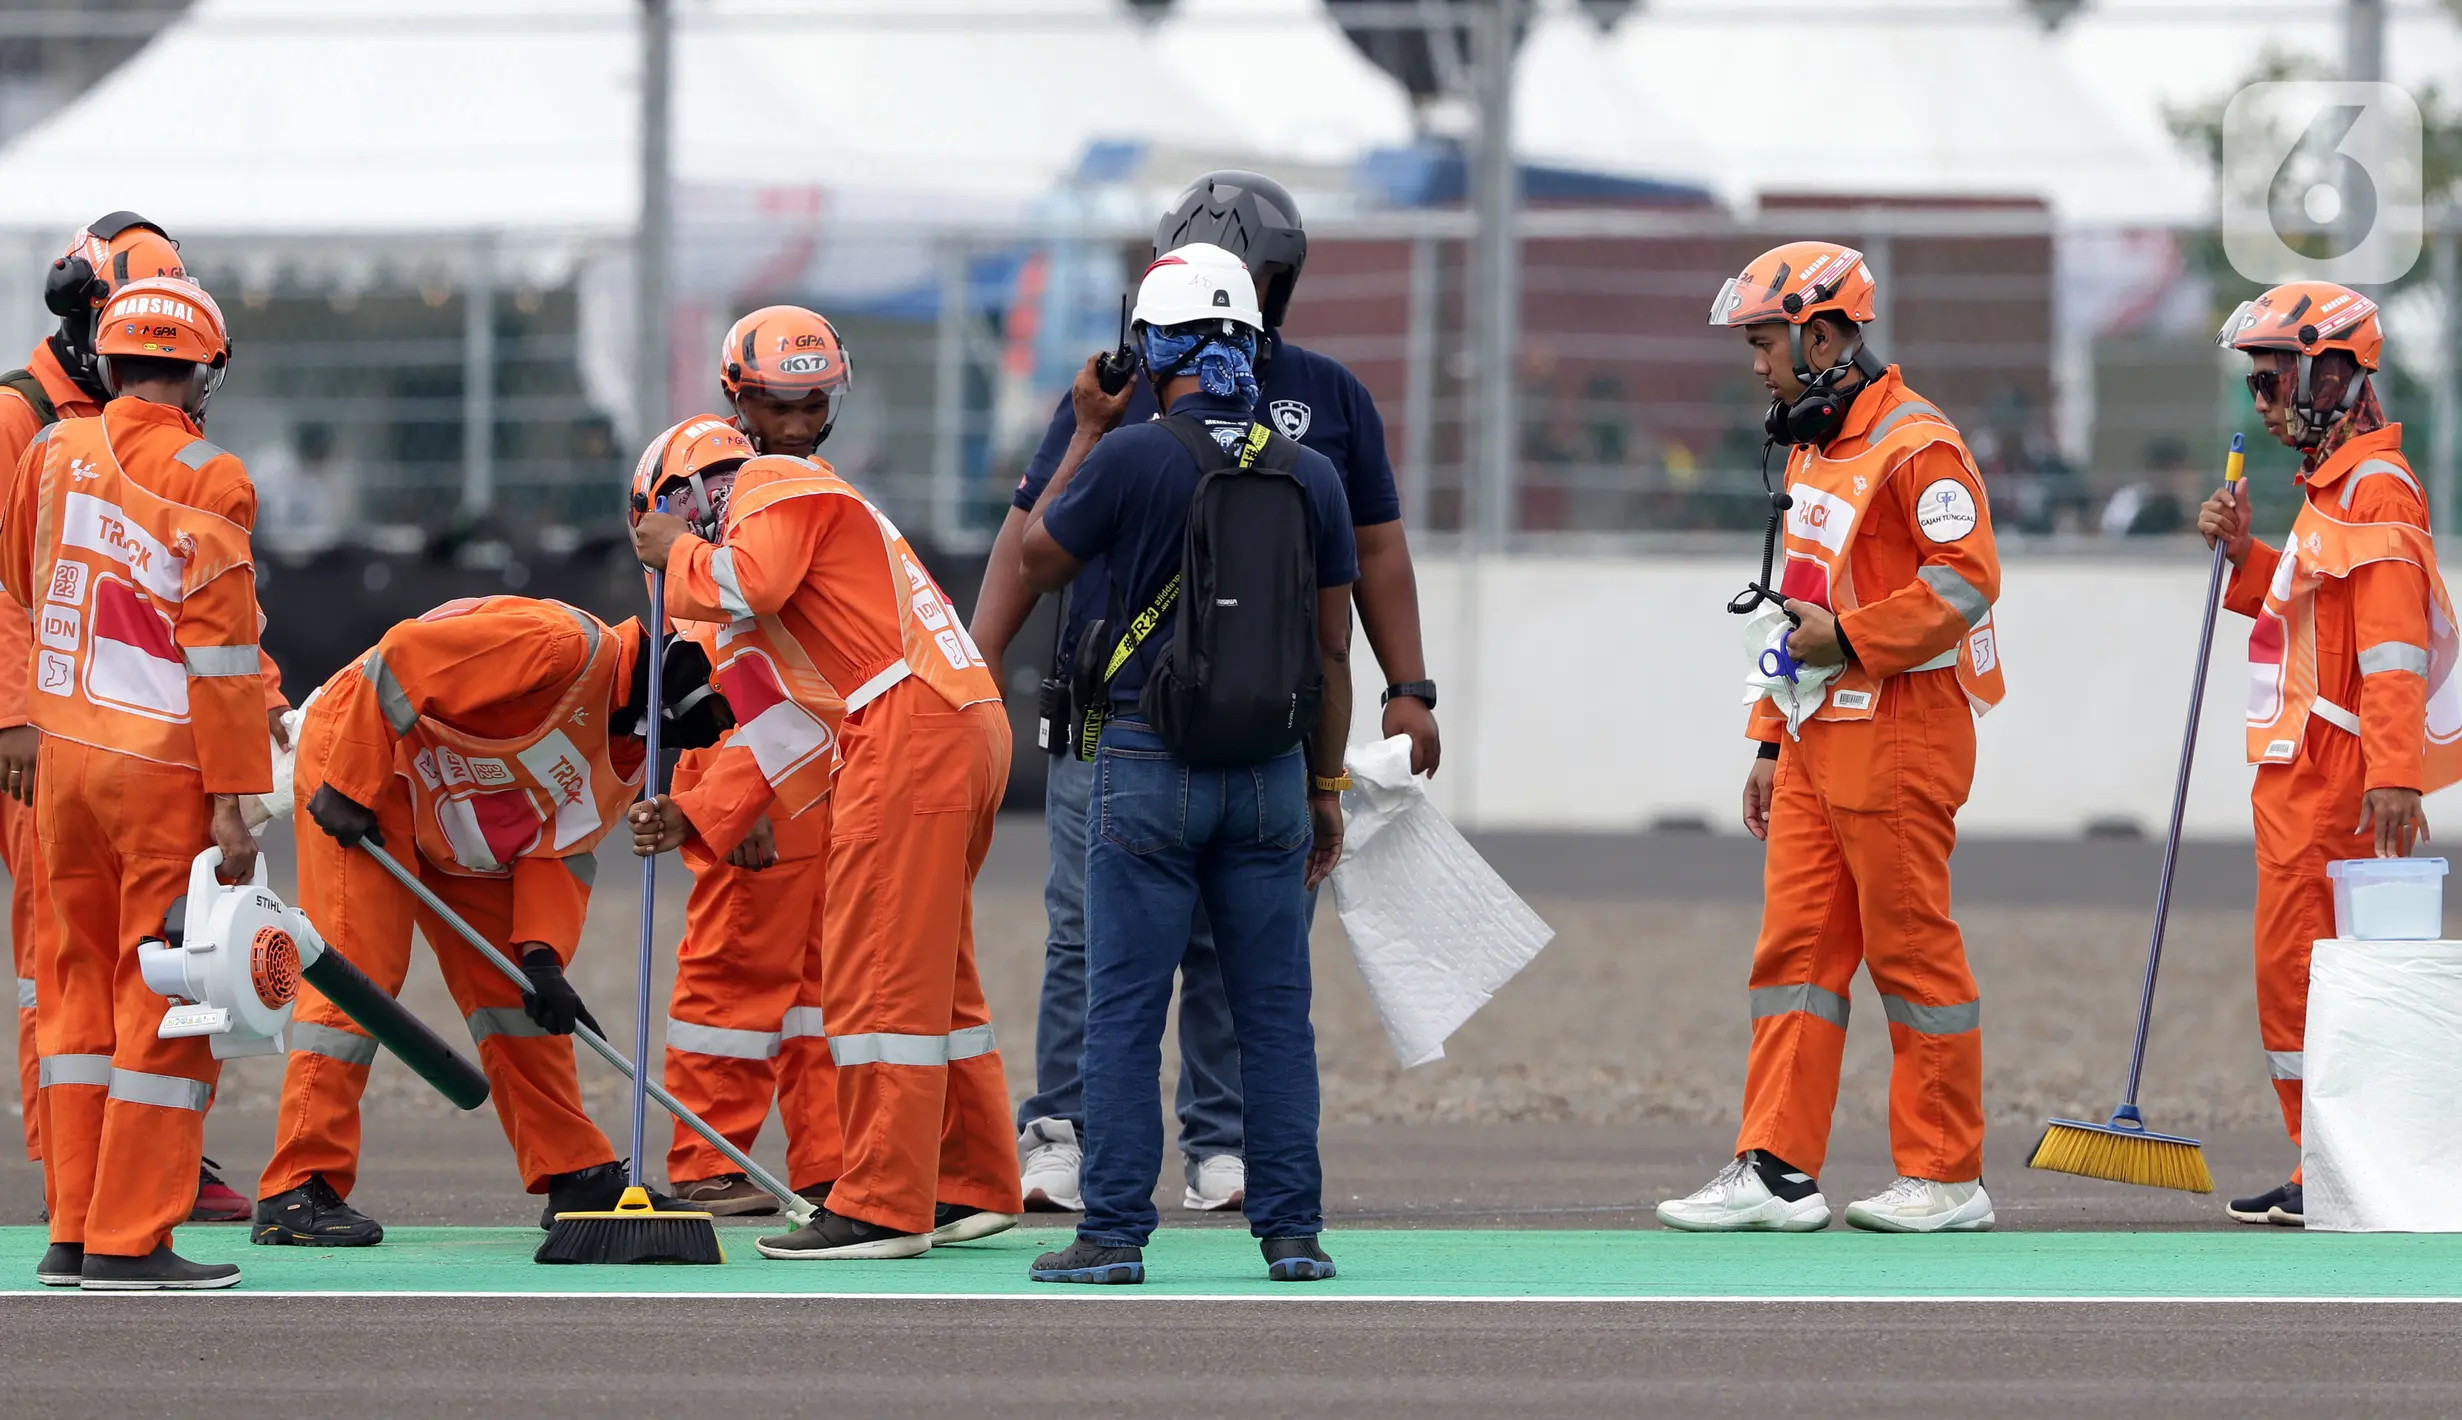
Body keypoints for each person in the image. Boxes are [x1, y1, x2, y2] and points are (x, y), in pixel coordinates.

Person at [971, 170, 1435, 1215]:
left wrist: (1415, 683)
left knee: (1141, 951)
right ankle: (1088, 1133)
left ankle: (1165, 1161)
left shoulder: (1194, 408)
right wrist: (1367, 722)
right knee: (1133, 943)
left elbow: (1031, 547)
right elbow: (1343, 613)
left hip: (1154, 728)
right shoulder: (1161, 407)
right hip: (1207, 731)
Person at [1014, 241, 1355, 1285]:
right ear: (1250, 343)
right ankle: (1291, 1234)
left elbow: (1035, 559)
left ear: (1147, 346)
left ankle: (1112, 1235)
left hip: (1143, 759)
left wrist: (1084, 427)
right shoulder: (1312, 474)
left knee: (1123, 1005)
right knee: (1271, 1012)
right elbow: (1331, 651)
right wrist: (1325, 787)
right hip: (1267, 774)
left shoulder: (1128, 456)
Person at [1658, 241, 2005, 1236]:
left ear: (1821, 334)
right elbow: (1796, 605)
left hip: (1902, 730)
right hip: (1817, 734)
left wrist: (1852, 639)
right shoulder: (1813, 444)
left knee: (1908, 953)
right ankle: (1773, 1166)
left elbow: (1964, 579)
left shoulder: (1915, 442)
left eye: (1764, 341)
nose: (1754, 363)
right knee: (1794, 953)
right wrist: (1768, 737)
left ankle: (1945, 1176)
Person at [629, 385, 1022, 1262]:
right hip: (953, 720)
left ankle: (884, 1204)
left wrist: (680, 554)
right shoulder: (809, 521)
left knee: (877, 970)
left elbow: (746, 582)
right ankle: (967, 1180)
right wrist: (697, 811)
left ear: (685, 497)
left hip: (911, 728)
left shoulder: (770, 484)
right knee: (934, 971)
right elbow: (790, 728)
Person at [250, 594, 731, 1246]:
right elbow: (402, 657)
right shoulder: (558, 646)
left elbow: (559, 853)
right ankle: (295, 1188)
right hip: (368, 764)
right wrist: (350, 780)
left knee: (517, 995)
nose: (653, 749)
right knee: (361, 971)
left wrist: (541, 957)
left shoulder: (624, 751)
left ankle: (575, 1174)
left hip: (456, 813)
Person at [0, 215, 284, 1225]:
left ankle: (74, 1222)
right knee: (166, 995)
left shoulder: (53, 446)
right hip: (155, 770)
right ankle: (131, 1230)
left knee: (71, 990)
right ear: (202, 372)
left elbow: (36, 582)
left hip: (66, 766)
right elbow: (215, 655)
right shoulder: (210, 476)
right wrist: (238, 798)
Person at [2197, 282, 2456, 1229]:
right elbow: (2311, 610)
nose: (2259, 402)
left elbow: (2392, 649)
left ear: (2334, 373)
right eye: (2256, 383)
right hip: (2303, 780)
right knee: (2293, 977)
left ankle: (2338, 1170)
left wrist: (2393, 774)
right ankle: (2322, 1164)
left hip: (2339, 782)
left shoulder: (2374, 489)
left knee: (2318, 980)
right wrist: (2247, 560)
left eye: (2273, 381)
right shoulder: (2331, 490)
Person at [646, 310, 850, 1215]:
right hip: (763, 790)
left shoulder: (763, 499)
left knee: (818, 995)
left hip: (817, 787)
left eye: (814, 399)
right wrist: (737, 806)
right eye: (782, 400)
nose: (801, 417)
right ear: (742, 395)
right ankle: (712, 1163)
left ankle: (826, 1164)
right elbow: (719, 677)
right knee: (737, 983)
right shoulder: (721, 492)